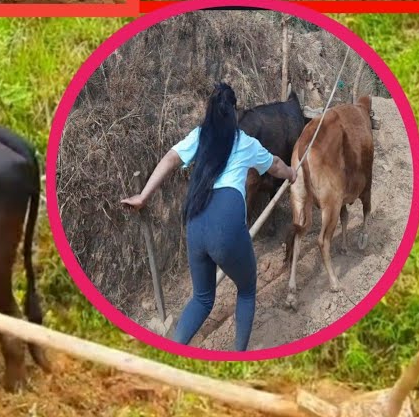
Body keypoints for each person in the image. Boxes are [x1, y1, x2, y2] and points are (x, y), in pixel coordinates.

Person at [120, 82, 295, 351]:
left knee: (202, 298)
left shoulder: (199, 136)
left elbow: (169, 159)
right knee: (246, 290)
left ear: (209, 111)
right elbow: (276, 166)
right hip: (224, 229)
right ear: (235, 113)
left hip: (195, 224)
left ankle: (173, 352)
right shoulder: (245, 142)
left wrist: (143, 196)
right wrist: (293, 174)